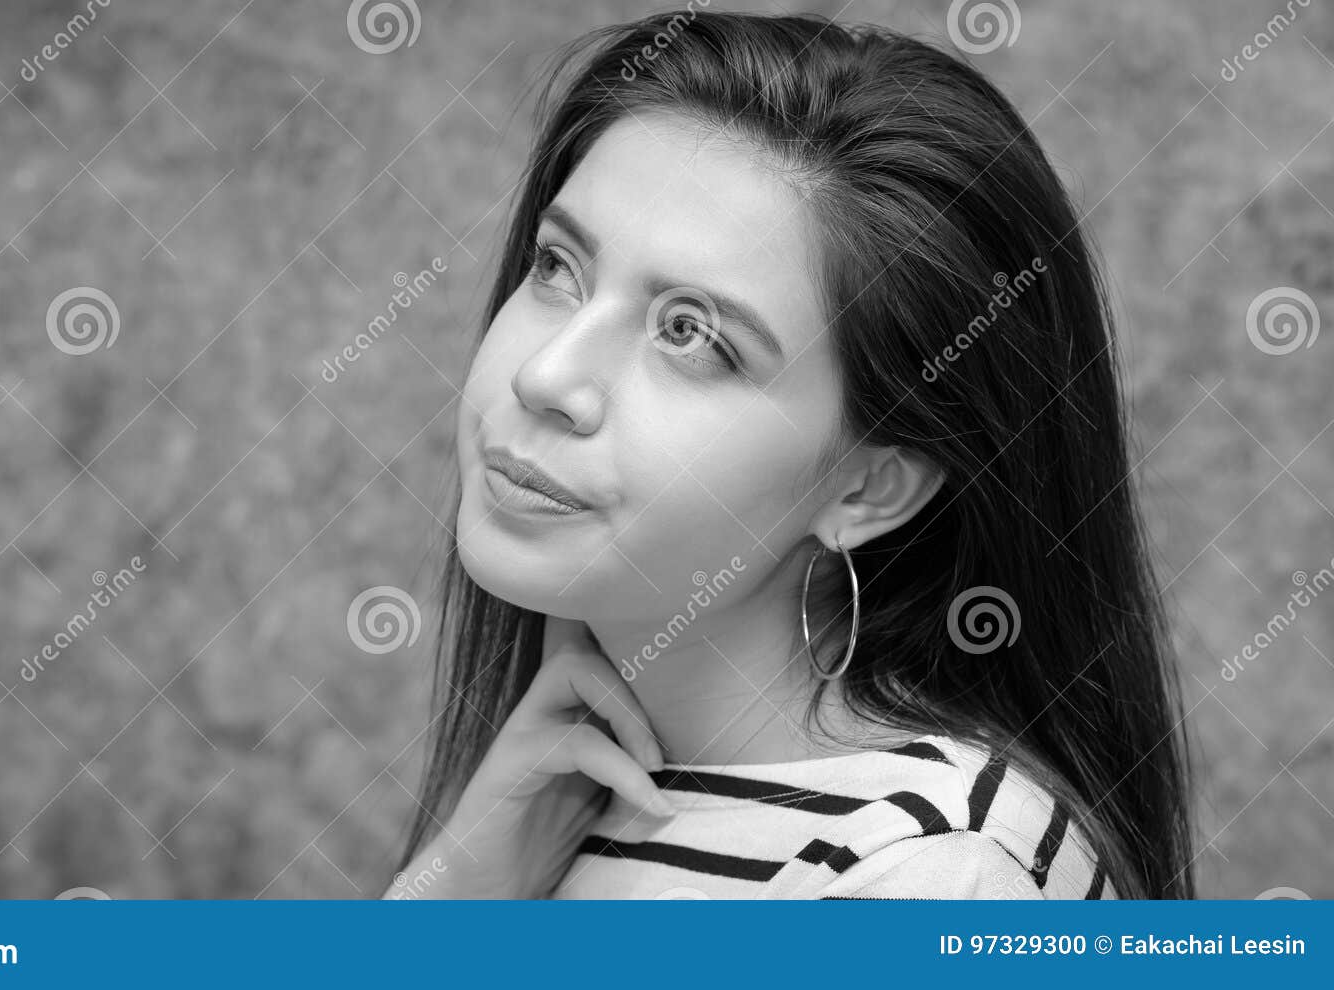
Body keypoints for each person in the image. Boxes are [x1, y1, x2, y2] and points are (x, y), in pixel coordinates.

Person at [383, 9, 1195, 900]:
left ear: (870, 488)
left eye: (690, 333)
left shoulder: (934, 869)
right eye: (557, 266)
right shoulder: (550, 806)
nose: (545, 375)